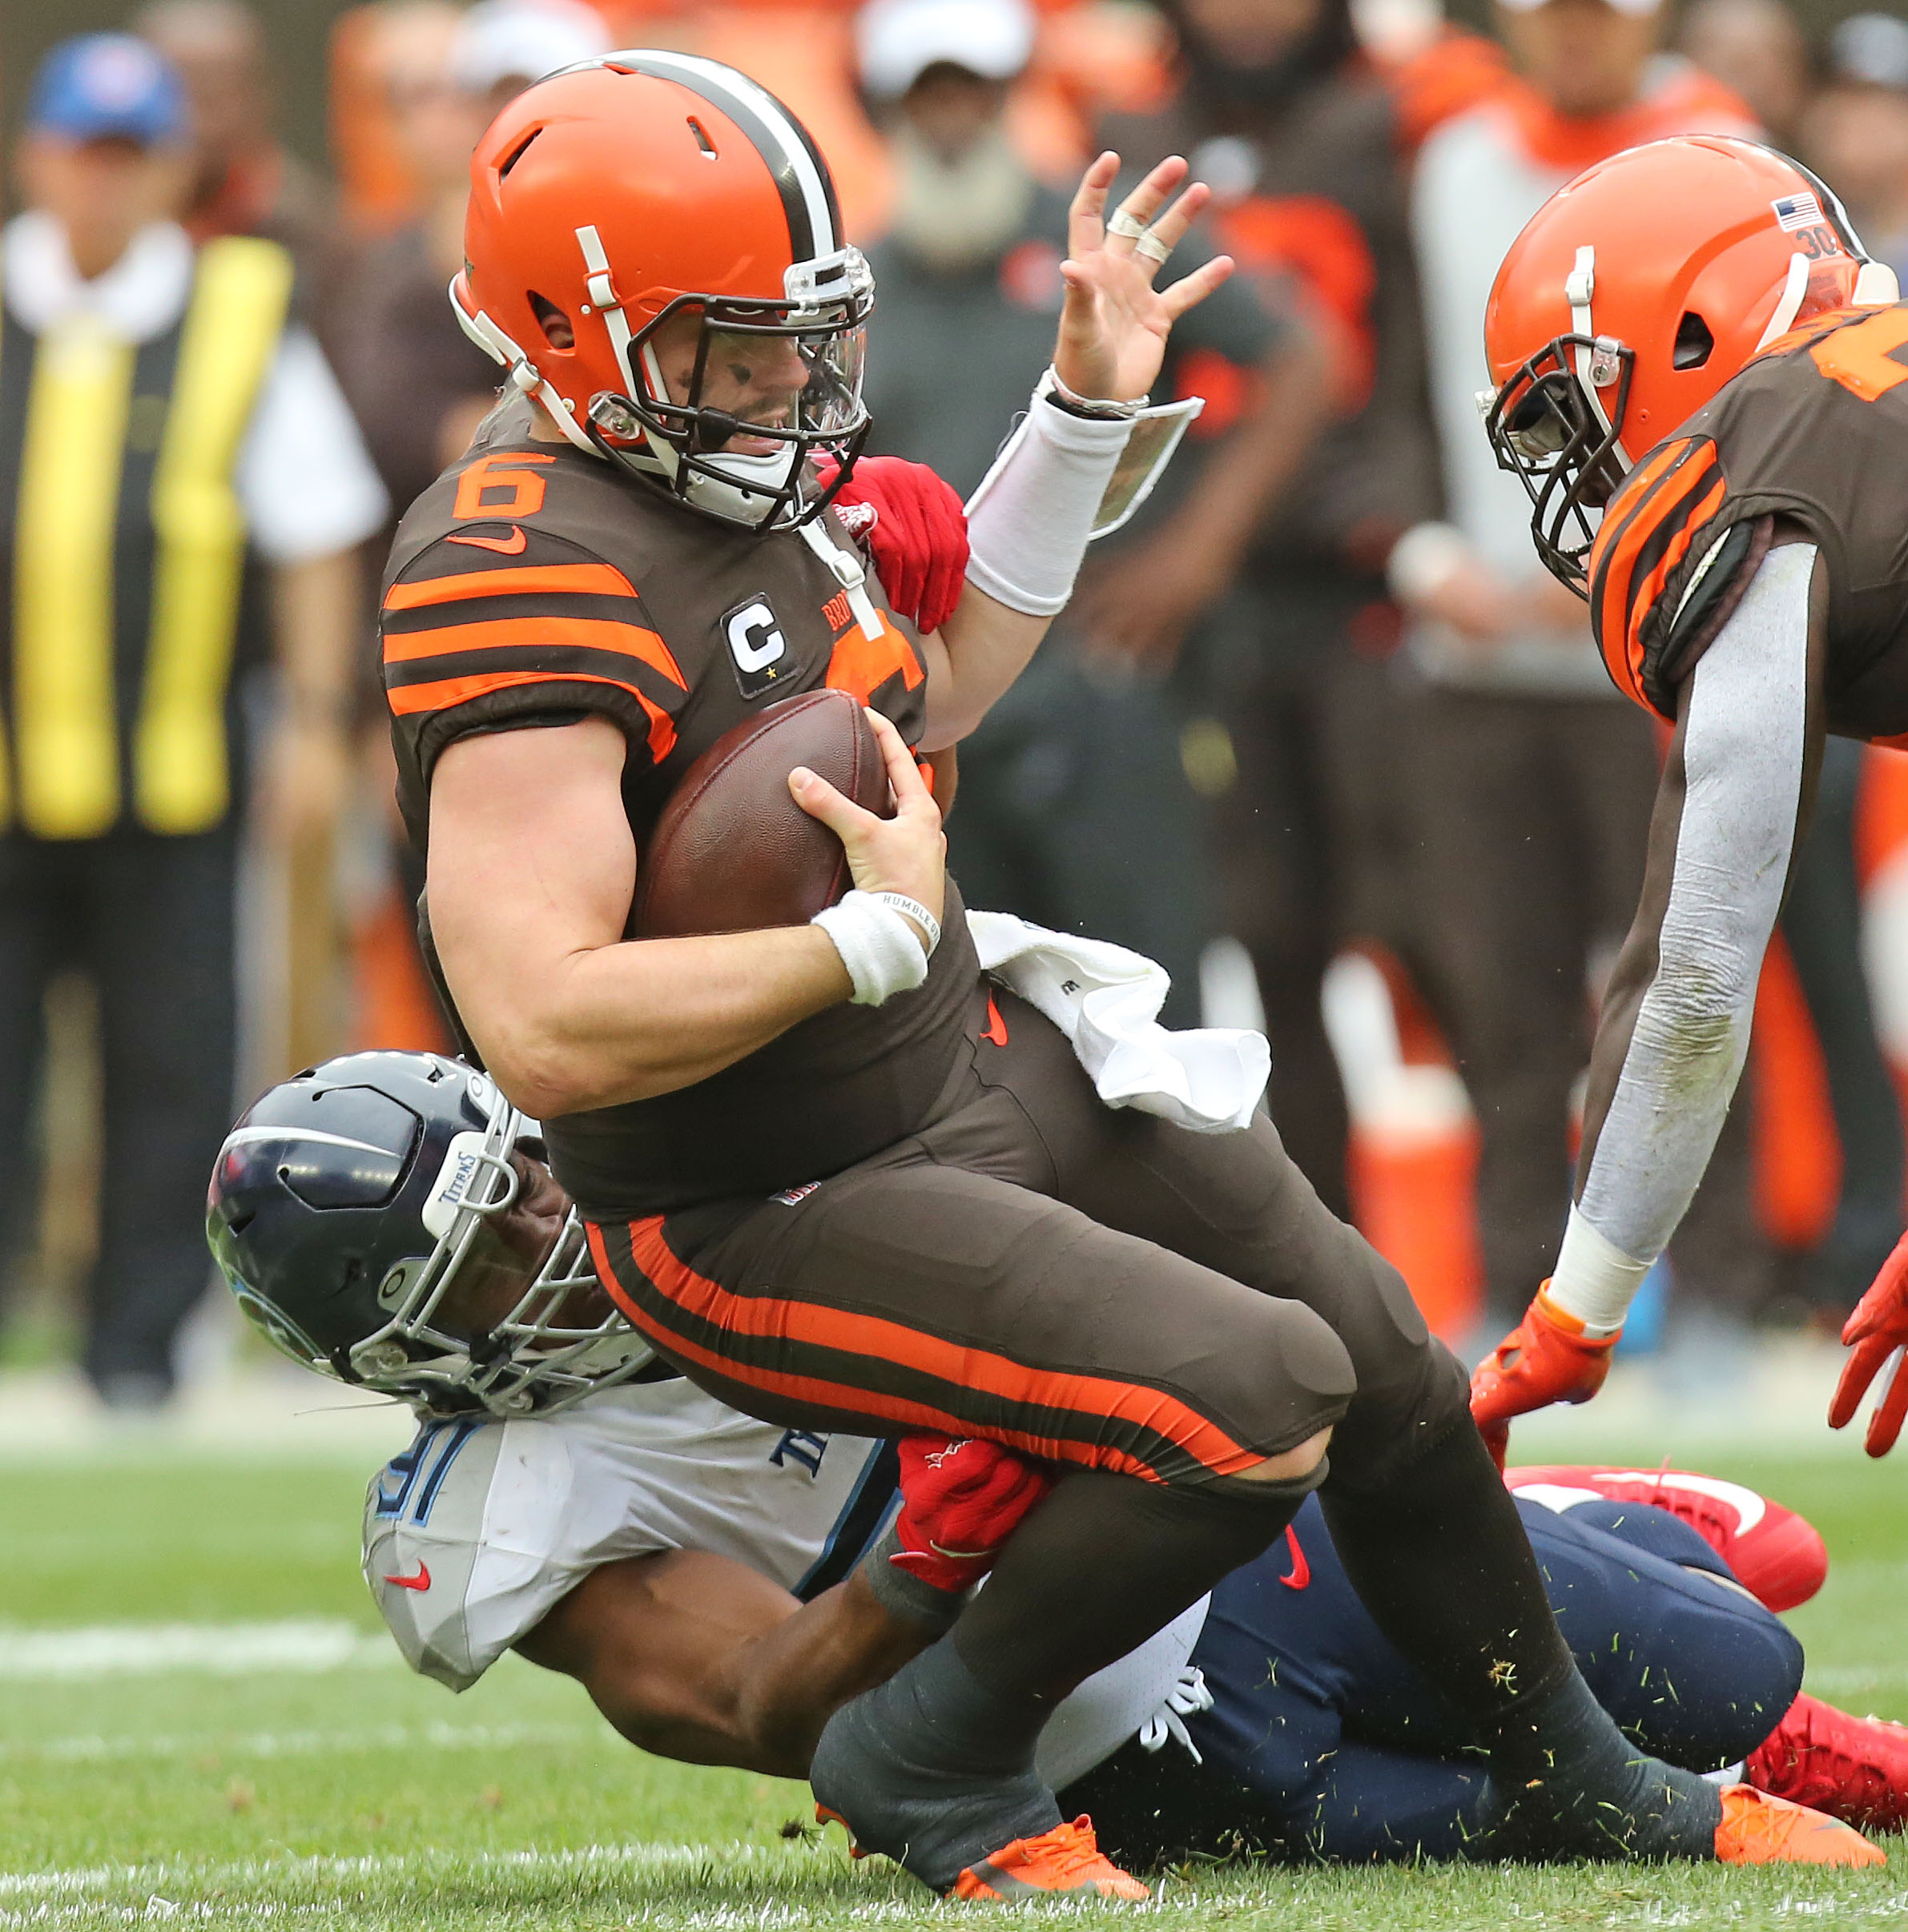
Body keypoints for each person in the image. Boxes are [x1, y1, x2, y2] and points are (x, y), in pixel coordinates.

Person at [382, 53, 1836, 1898]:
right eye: (722, 347)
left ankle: (1574, 1764)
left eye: (788, 335)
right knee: (1249, 1395)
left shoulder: (726, 469)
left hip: (951, 1060)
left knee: (1385, 1357)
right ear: (570, 335)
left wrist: (1080, 412)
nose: (777, 383)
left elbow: (939, 692)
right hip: (754, 1188)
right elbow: (543, 1020)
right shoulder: (507, 567)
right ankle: (937, 1752)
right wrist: (854, 940)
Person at [205, 1049, 1893, 1866]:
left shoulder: (706, 1188)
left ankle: (1577, 1528)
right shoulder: (496, 1506)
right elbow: (750, 1712)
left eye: (535, 1189)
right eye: (493, 1261)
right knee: (1509, 1823)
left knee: (1739, 1656)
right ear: (406, 1349)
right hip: (1104, 1743)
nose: (560, 1242)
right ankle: (1573, 1550)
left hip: (1229, 1543)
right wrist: (919, 1566)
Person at [1463, 135, 1908, 1461]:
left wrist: (1575, 1309)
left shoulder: (1778, 450)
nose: (1578, 471)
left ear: (1700, 329)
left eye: (1574, 414)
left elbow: (1701, 963)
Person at [0, 34, 387, 1407]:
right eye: (78, 152)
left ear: (170, 165)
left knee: (168, 1056)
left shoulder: (234, 309)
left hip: (176, 760)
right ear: (33, 154)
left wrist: (312, 717)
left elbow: (317, 530)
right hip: (9, 768)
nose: (99, 184)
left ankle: (137, 1348)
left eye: (128, 156)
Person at [1391, 0, 1764, 1341]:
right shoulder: (1449, 163)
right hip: (1479, 647)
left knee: (1690, 970)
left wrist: (1689, 566)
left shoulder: (1727, 151)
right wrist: (1419, 552)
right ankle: (1510, 1281)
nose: (1576, 38)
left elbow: (1775, 394)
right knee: (1503, 993)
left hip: (1663, 643)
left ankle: (1717, 1281)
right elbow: (1405, 384)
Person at [855, 0, 1335, 1024]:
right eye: (923, 94)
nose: (948, 118)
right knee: (978, 1031)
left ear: (1008, 92)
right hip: (938, 719)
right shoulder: (861, 288)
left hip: (1107, 679)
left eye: (969, 90)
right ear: (883, 108)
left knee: (1148, 1008)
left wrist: (1200, 552)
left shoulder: (1084, 250)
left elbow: (1302, 356)